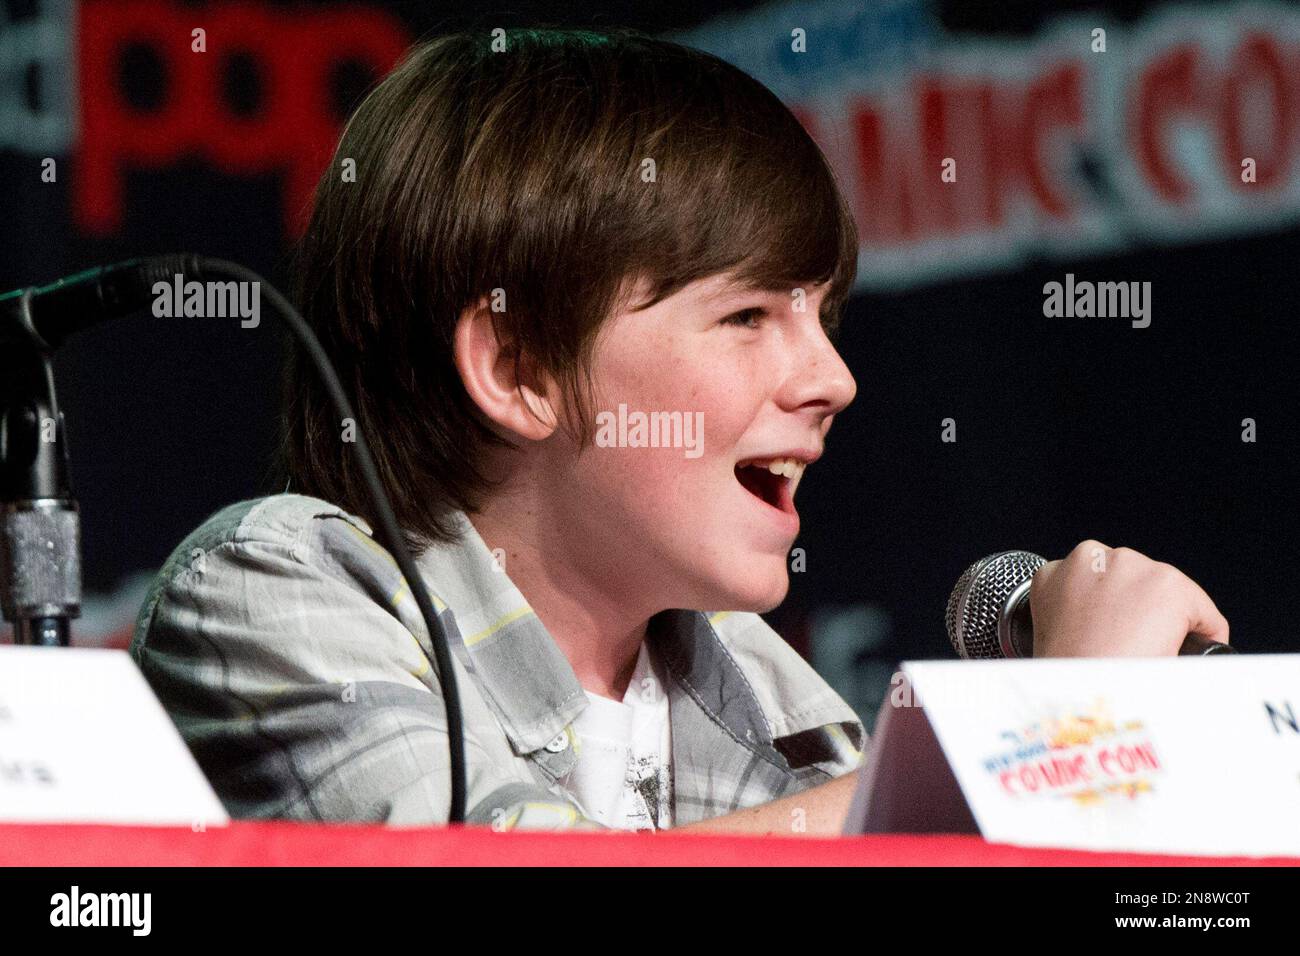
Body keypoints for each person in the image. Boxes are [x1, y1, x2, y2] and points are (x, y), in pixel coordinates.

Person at [129, 27, 1229, 835]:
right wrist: (1053, 736)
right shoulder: (272, 589)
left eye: (822, 315)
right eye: (748, 315)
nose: (835, 378)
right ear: (517, 368)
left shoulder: (760, 683)